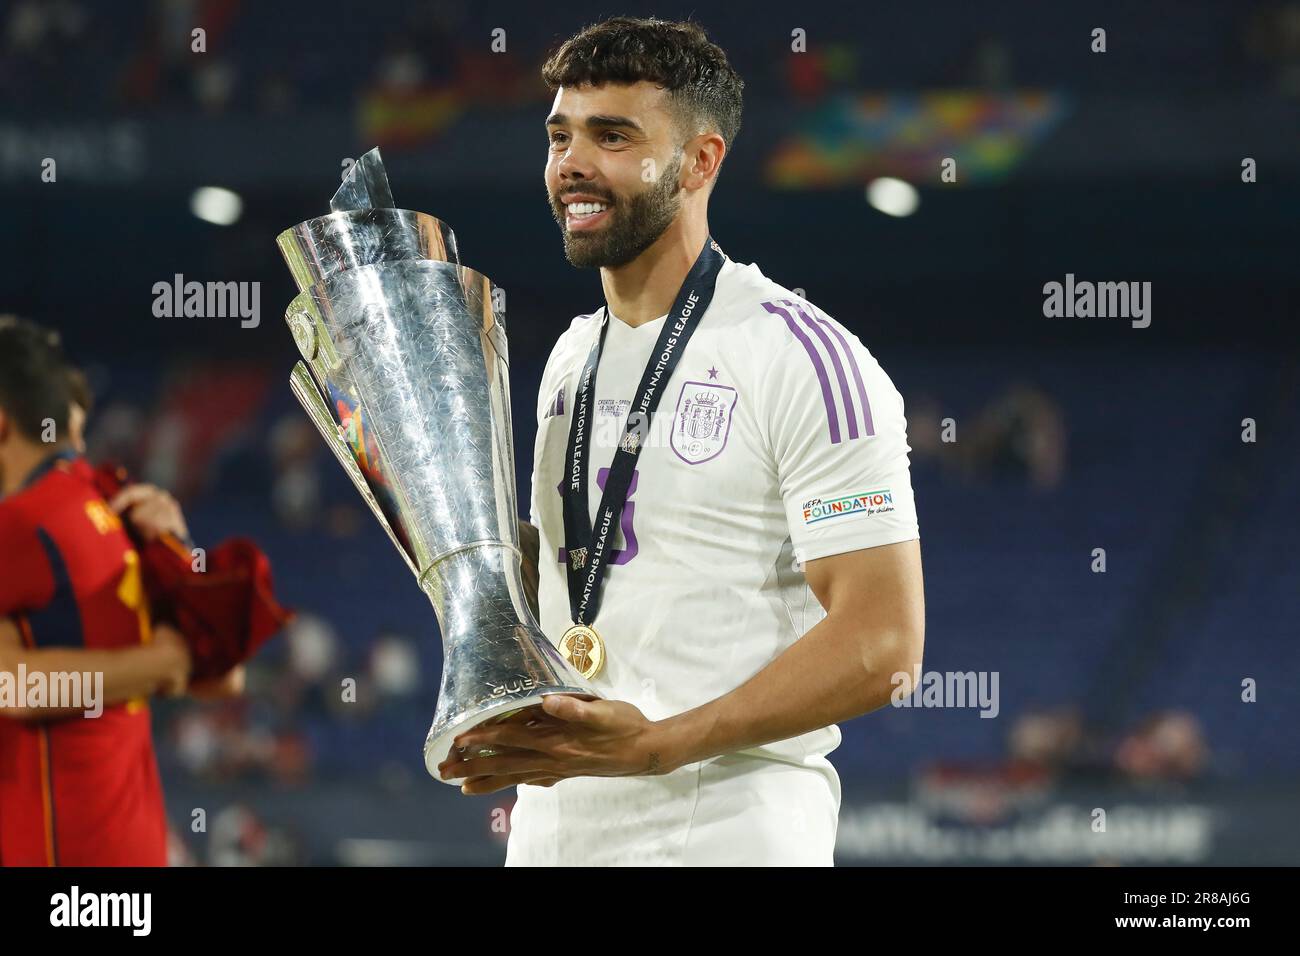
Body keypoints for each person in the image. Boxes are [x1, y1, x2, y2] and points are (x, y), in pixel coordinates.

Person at [435, 17, 926, 866]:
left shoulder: (801, 357)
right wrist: (447, 526)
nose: (572, 165)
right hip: (555, 822)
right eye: (560, 137)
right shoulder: (569, 361)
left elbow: (886, 645)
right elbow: (575, 578)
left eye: (612, 136)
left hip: (725, 825)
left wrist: (658, 743)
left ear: (701, 161)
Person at [0, 317, 236, 865]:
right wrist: (162, 661)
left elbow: (15, 691)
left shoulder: (22, 527)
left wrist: (162, 663)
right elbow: (223, 674)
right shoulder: (132, 514)